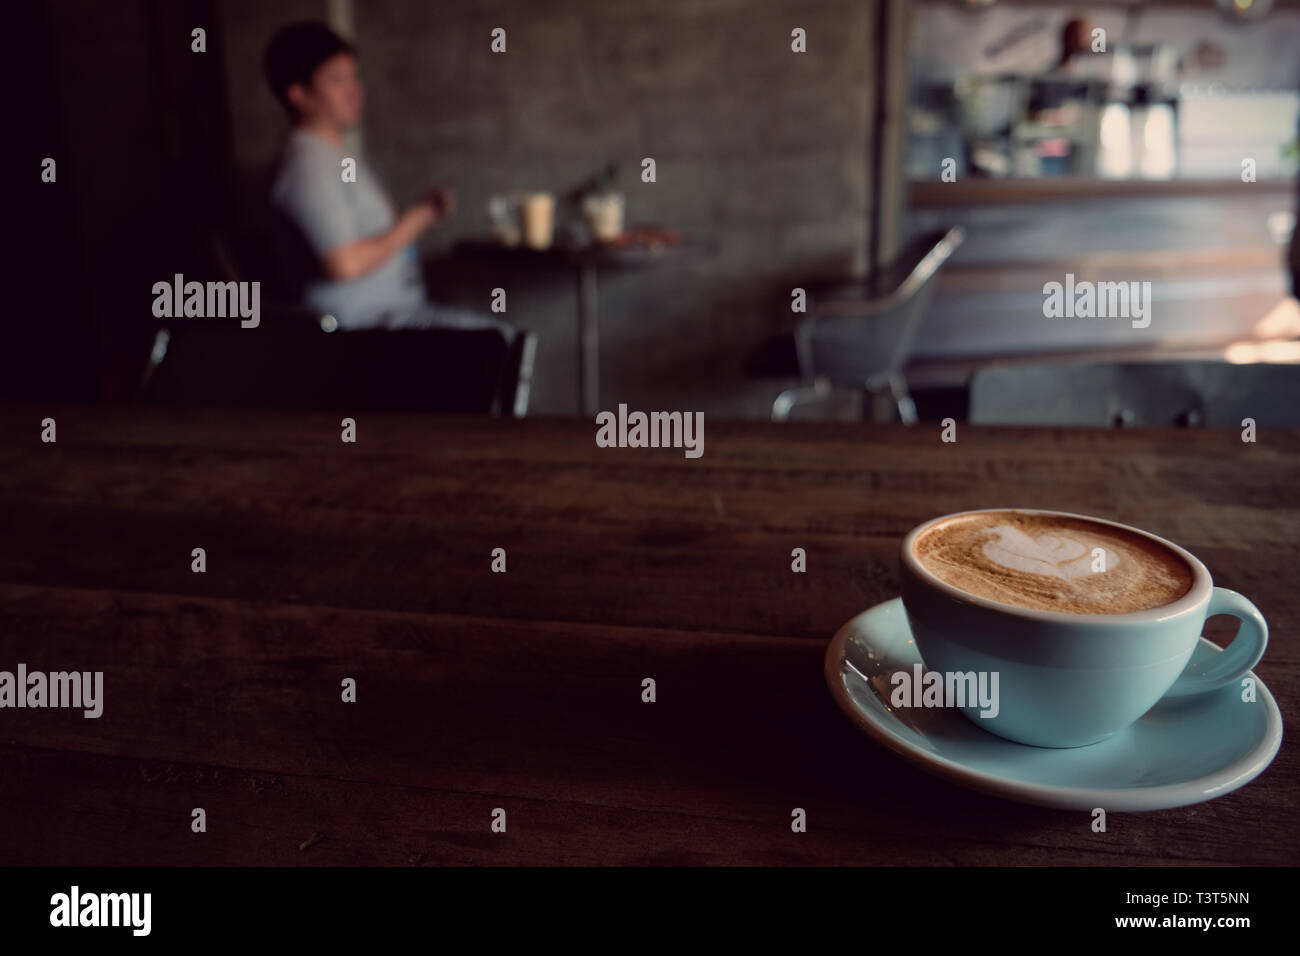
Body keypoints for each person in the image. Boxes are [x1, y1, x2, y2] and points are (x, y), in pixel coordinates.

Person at [262, 21, 512, 333]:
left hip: (396, 315)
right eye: (336, 80)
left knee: (505, 342)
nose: (353, 90)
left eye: (354, 77)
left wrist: (420, 215)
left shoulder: (335, 157)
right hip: (363, 332)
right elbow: (345, 264)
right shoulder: (308, 168)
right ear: (299, 95)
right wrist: (416, 219)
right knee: (501, 344)